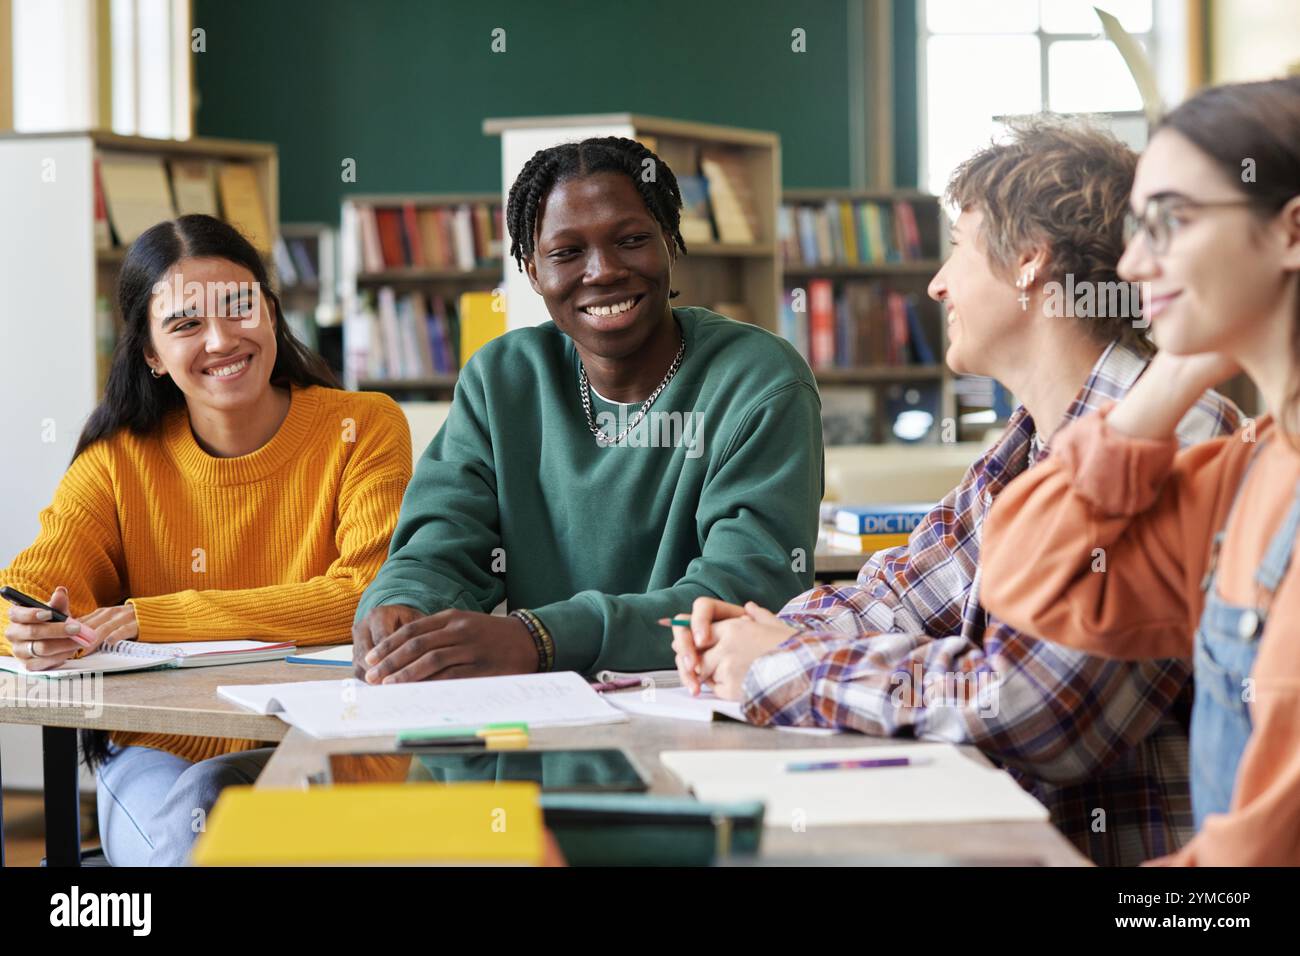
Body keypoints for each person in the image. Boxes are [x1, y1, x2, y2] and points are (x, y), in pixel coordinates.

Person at [671, 119, 1240, 865]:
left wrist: (783, 668)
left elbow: (1032, 709)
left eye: (959, 248)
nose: (937, 282)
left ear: (1030, 261)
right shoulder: (1031, 441)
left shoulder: (1172, 439)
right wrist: (753, 637)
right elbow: (902, 593)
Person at [0, 215, 411, 865]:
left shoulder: (363, 427)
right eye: (186, 324)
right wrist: (29, 626)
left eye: (239, 307)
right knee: (200, 835)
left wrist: (149, 618)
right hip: (161, 751)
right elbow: (29, 594)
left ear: (271, 314)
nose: (221, 339)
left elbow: (364, 596)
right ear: (151, 355)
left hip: (326, 740)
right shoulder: (116, 461)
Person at [354, 136, 823, 684]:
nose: (602, 271)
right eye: (566, 252)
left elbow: (745, 595)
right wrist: (401, 603)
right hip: (538, 717)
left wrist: (544, 639)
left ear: (670, 244)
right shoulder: (500, 381)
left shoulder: (761, 381)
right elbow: (439, 546)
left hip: (699, 712)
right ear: (532, 271)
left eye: (630, 240)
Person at [982, 77, 1300, 866]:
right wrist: (1166, 382)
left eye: (1170, 221)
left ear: (1293, 232)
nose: (1130, 261)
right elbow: (1020, 574)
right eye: (1132, 227)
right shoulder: (1252, 472)